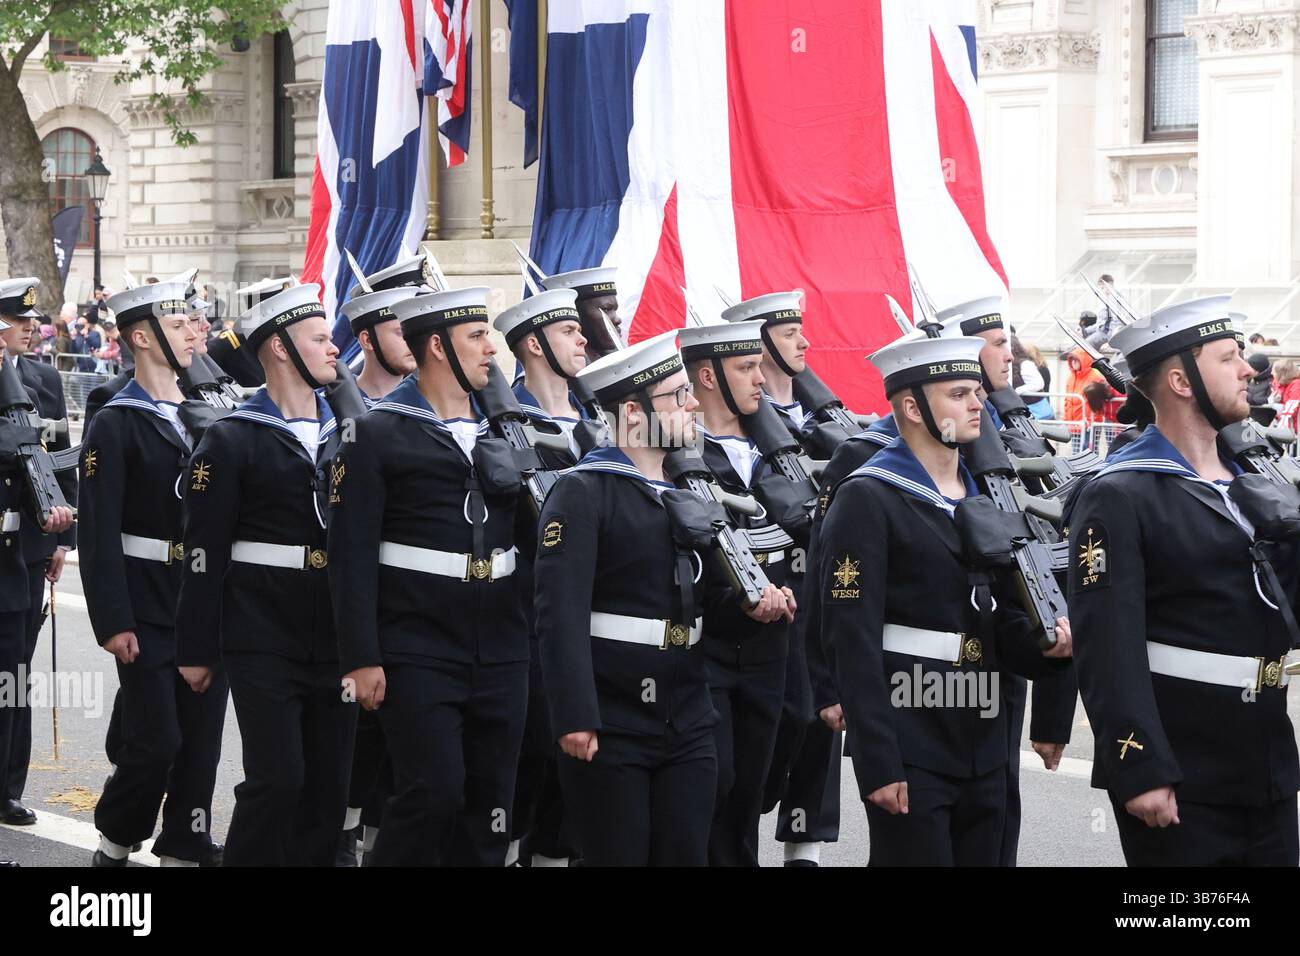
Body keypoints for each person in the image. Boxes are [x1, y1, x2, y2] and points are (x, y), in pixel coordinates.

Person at [534, 330, 793, 866]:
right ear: (633, 411)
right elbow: (558, 616)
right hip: (612, 719)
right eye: (678, 395)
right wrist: (575, 716)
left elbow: (699, 607)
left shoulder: (684, 493)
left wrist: (750, 608)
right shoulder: (584, 492)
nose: (694, 403)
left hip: (688, 715)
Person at [818, 331, 1071, 865]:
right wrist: (878, 759)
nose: (978, 403)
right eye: (959, 394)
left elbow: (999, 621)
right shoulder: (869, 496)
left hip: (985, 729)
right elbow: (851, 638)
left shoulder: (983, 495)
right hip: (912, 734)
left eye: (976, 391)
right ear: (911, 406)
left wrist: (1045, 651)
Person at [1067, 296, 1299, 865]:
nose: (1250, 370)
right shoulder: (1120, 493)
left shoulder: (1257, 483)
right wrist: (1139, 765)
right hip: (1180, 772)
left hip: (1264, 760)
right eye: (1229, 358)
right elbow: (1105, 645)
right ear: (1180, 380)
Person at [329, 286, 530, 866]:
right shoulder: (374, 432)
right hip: (416, 647)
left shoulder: (504, 430)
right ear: (438, 347)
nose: (492, 348)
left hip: (500, 649)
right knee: (433, 793)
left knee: (491, 806)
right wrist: (361, 658)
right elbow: (350, 554)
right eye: (477, 337)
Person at [176, 283, 354, 867]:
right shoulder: (232, 437)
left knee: (328, 790)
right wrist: (197, 648)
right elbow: (203, 552)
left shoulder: (355, 433)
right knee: (278, 778)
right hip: (261, 633)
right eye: (321, 339)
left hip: (337, 634)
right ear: (280, 349)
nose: (335, 350)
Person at [79, 277, 227, 867]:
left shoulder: (211, 416)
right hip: (145, 600)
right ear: (141, 338)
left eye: (194, 322)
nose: (195, 332)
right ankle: (117, 837)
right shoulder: (116, 422)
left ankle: (186, 846)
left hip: (202, 599)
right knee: (156, 740)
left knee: (200, 742)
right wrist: (113, 619)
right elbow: (97, 530)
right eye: (178, 325)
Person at [679, 320, 798, 866]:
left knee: (750, 788)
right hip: (707, 644)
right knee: (714, 782)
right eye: (746, 368)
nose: (761, 377)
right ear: (708, 376)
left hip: (773, 644)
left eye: (760, 365)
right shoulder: (678, 450)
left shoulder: (778, 451)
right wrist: (738, 597)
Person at [493, 288, 593, 867]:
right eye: (567, 331)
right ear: (533, 345)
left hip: (599, 617)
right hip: (530, 616)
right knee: (528, 759)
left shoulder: (601, 419)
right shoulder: (503, 425)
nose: (583, 338)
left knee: (574, 776)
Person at [0, 281, 75, 848]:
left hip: (26, 547)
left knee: (15, 674)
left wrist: (61, 538)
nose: (30, 328)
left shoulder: (44, 380)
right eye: (16, 319)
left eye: (32, 320)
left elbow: (60, 463)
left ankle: (8, 785)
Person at [540, 267, 623, 360]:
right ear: (576, 315)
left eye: (615, 310)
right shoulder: (552, 374)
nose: (618, 320)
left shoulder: (622, 364)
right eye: (606, 309)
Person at [1011, 334, 1054, 419]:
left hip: (1038, 410)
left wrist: (1017, 391)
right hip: (1031, 408)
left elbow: (1039, 384)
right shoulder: (1018, 364)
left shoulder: (1026, 364)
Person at [1063, 348, 1105, 424]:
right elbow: (1067, 401)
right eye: (1072, 360)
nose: (1073, 362)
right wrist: (1066, 420)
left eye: (1076, 360)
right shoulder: (1071, 378)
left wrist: (1090, 422)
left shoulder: (1095, 378)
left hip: (1088, 426)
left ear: (1083, 360)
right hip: (1072, 425)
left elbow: (1097, 406)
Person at [1272, 359, 1300, 432]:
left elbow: (1292, 407)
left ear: (1282, 374)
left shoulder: (1297, 385)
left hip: (1294, 427)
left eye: (1274, 371)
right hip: (1288, 425)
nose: (1272, 373)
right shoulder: (1283, 384)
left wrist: (1275, 406)